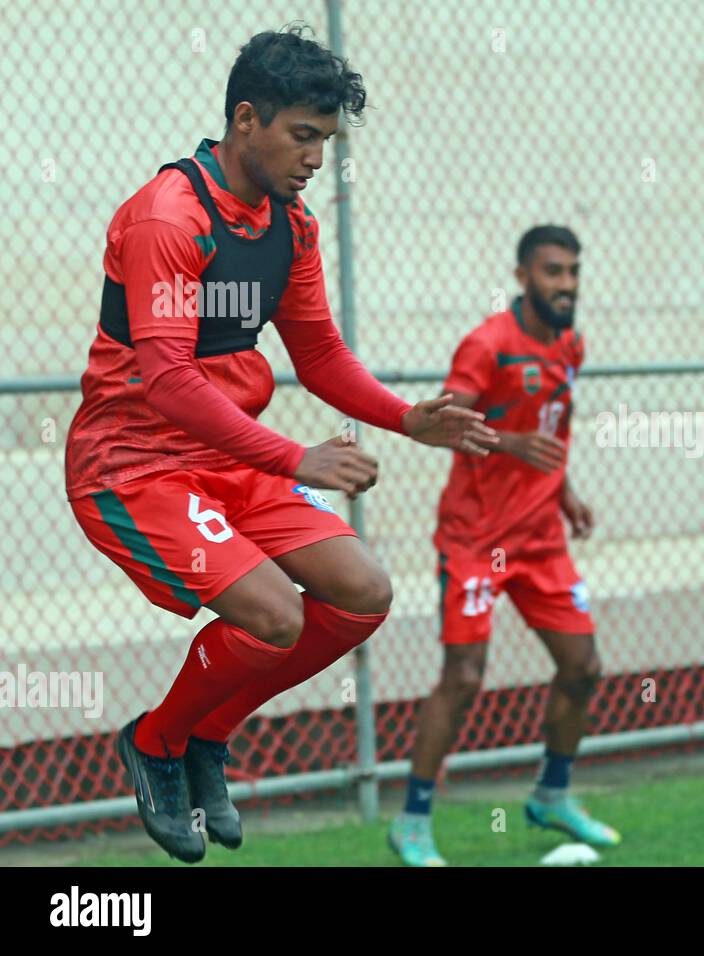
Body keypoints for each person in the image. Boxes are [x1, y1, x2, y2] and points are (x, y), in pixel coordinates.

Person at [64, 26, 496, 863]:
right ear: (246, 119)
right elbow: (166, 379)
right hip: (134, 468)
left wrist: (409, 418)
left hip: (231, 462)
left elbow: (322, 354)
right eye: (304, 137)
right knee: (273, 615)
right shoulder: (168, 217)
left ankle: (204, 736)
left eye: (326, 142)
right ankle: (156, 743)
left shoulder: (289, 225)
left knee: (362, 592)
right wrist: (295, 458)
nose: (315, 160)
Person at [389, 226, 619, 867]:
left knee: (584, 667)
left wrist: (564, 489)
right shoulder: (487, 345)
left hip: (541, 537)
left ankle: (553, 793)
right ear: (523, 277)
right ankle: (412, 821)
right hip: (475, 539)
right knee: (463, 677)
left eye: (573, 271)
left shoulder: (571, 343)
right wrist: (511, 444)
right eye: (553, 272)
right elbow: (440, 427)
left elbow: (550, 422)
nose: (566, 284)